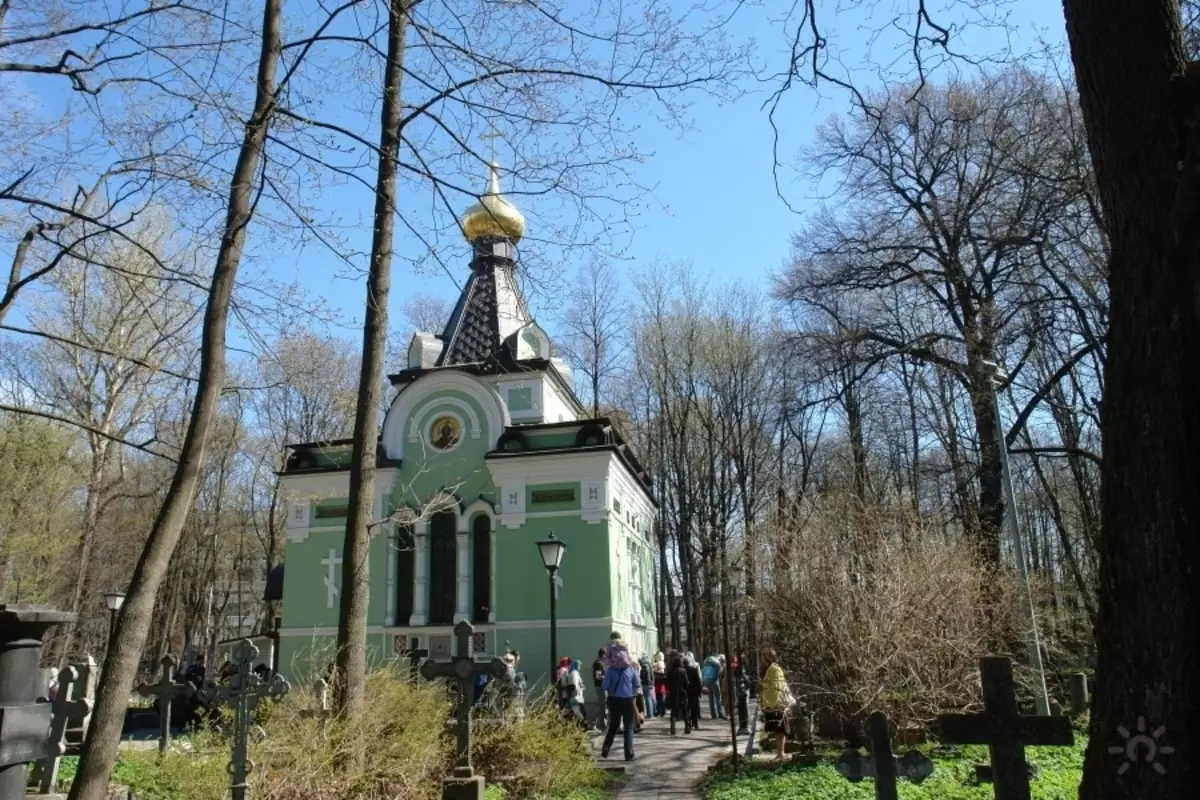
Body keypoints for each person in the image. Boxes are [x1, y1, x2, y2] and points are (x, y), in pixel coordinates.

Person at [600, 656, 640, 761]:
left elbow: (605, 686)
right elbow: (637, 683)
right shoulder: (631, 669)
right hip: (628, 700)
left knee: (613, 726)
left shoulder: (610, 669)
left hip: (614, 700)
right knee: (628, 727)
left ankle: (605, 748)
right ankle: (629, 753)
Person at [760, 648, 791, 760]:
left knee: (780, 730)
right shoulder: (770, 669)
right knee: (777, 730)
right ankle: (779, 753)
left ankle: (781, 753)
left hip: (776, 705)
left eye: (763, 655)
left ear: (769, 657)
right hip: (772, 704)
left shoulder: (774, 669)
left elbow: (777, 688)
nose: (762, 658)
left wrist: (770, 704)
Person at [666, 650, 690, 735]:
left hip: (673, 693)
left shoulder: (669, 671)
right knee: (685, 710)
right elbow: (686, 683)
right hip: (682, 693)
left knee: (674, 711)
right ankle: (687, 727)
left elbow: (667, 684)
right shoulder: (683, 671)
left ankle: (673, 728)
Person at [731, 653, 750, 735]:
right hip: (742, 692)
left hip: (740, 692)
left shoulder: (739, 669)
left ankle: (743, 726)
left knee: (742, 709)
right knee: (743, 710)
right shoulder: (740, 669)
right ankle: (743, 726)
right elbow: (741, 680)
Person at [684, 652, 703, 731]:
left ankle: (688, 724)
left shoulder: (683, 670)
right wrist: (699, 691)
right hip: (694, 692)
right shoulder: (694, 669)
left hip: (686, 692)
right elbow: (698, 681)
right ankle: (695, 723)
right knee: (693, 708)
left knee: (687, 709)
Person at [702, 655, 725, 720]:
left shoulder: (706, 662)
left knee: (711, 698)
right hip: (714, 681)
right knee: (718, 698)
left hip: (707, 681)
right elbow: (720, 673)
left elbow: (703, 672)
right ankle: (720, 714)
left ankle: (713, 715)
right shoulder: (717, 663)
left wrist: (704, 682)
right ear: (721, 660)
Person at [591, 648, 607, 731]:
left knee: (602, 705)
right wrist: (607, 677)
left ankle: (601, 724)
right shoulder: (598, 664)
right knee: (601, 705)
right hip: (600, 686)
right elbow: (598, 677)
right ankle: (594, 722)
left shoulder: (599, 663)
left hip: (601, 686)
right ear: (603, 654)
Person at [638, 654, 656, 719]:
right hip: (649, 683)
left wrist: (644, 680)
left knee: (648, 699)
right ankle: (651, 713)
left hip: (646, 684)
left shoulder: (645, 666)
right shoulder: (649, 664)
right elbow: (651, 675)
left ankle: (649, 714)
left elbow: (646, 676)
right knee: (650, 699)